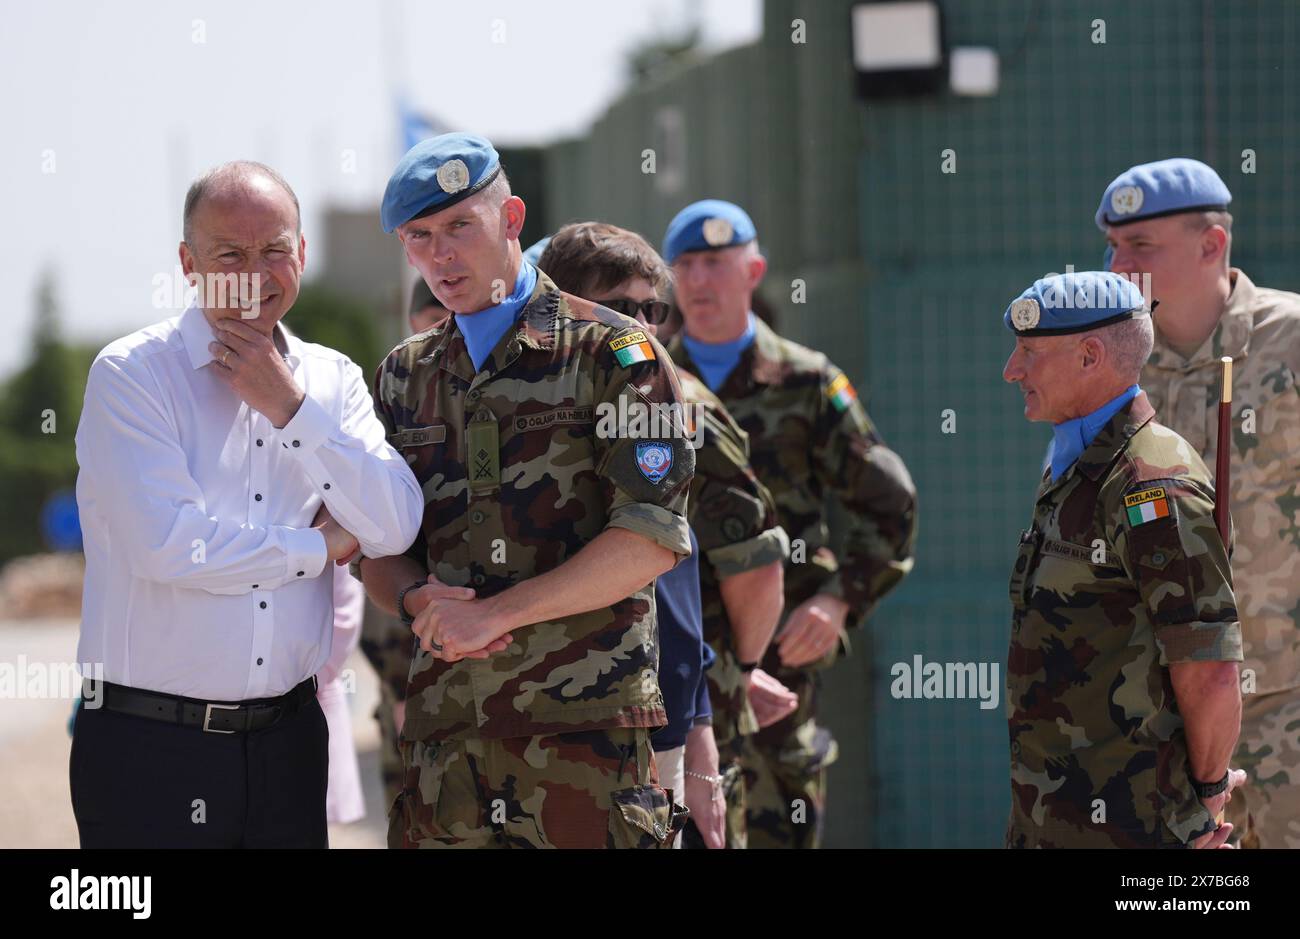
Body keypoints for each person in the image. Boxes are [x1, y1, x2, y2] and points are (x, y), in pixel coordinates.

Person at [70, 161, 423, 848]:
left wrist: (290, 407)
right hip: (149, 750)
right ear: (188, 262)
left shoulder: (333, 379)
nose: (255, 273)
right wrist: (319, 547)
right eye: (229, 252)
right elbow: (169, 543)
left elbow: (395, 522)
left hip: (288, 745)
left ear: (302, 254)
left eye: (274, 251)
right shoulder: (131, 375)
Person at [358, 133, 696, 849]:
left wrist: (497, 615)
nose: (440, 255)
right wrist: (417, 598)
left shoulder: (617, 352)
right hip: (448, 753)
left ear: (511, 219)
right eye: (419, 237)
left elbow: (650, 539)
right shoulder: (400, 377)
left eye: (459, 227)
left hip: (586, 750)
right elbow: (372, 546)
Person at [663, 199, 918, 848]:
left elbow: (889, 503)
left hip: (781, 659)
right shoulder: (646, 383)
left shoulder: (807, 382)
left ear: (754, 271)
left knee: (782, 818)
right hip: (674, 659)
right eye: (685, 264)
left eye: (715, 262)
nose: (698, 281)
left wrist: (839, 600)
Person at [540, 221, 795, 848]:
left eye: (654, 310)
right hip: (536, 728)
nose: (644, 327)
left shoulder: (672, 410)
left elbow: (718, 575)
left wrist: (721, 696)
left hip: (651, 722)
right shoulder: (525, 407)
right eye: (622, 309)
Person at [1001, 270, 1245, 848]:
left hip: (1136, 831)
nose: (1012, 370)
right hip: (1054, 820)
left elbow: (1208, 666)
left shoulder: (1150, 483)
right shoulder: (1078, 463)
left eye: (1029, 353)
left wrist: (1205, 797)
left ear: (1089, 356)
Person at [1100, 158, 1300, 847]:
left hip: (1287, 700)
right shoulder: (1112, 368)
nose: (1117, 262)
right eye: (1112, 243)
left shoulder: (1291, 343)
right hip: (1164, 714)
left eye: (1140, 245)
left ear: (1212, 244)